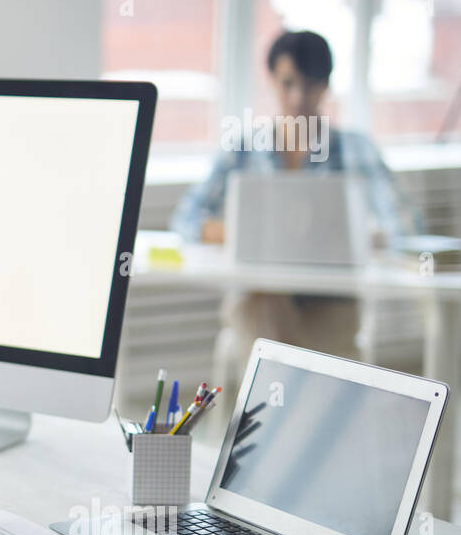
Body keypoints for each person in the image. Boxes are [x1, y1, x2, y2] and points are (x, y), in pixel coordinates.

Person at [169, 30, 421, 385]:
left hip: (330, 302)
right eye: (288, 83)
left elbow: (406, 225)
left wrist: (366, 238)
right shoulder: (242, 148)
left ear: (326, 86)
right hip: (261, 298)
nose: (298, 97)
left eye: (311, 85)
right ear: (271, 80)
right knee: (262, 308)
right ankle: (297, 403)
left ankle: (276, 406)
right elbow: (186, 218)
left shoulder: (355, 149)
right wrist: (239, 232)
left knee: (285, 359)